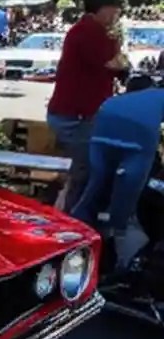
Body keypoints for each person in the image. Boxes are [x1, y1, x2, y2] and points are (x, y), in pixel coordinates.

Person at [48, 0, 130, 212]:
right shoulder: (88, 32)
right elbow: (114, 63)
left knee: (85, 169)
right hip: (75, 116)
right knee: (86, 171)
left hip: (81, 113)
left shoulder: (93, 31)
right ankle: (71, 219)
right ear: (102, 8)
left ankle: (69, 212)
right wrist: (120, 57)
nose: (117, 15)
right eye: (114, 9)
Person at [70, 81, 164, 277]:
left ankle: (72, 238)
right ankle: (121, 258)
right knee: (129, 191)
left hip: (105, 117)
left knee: (96, 185)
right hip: (140, 130)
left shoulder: (141, 95)